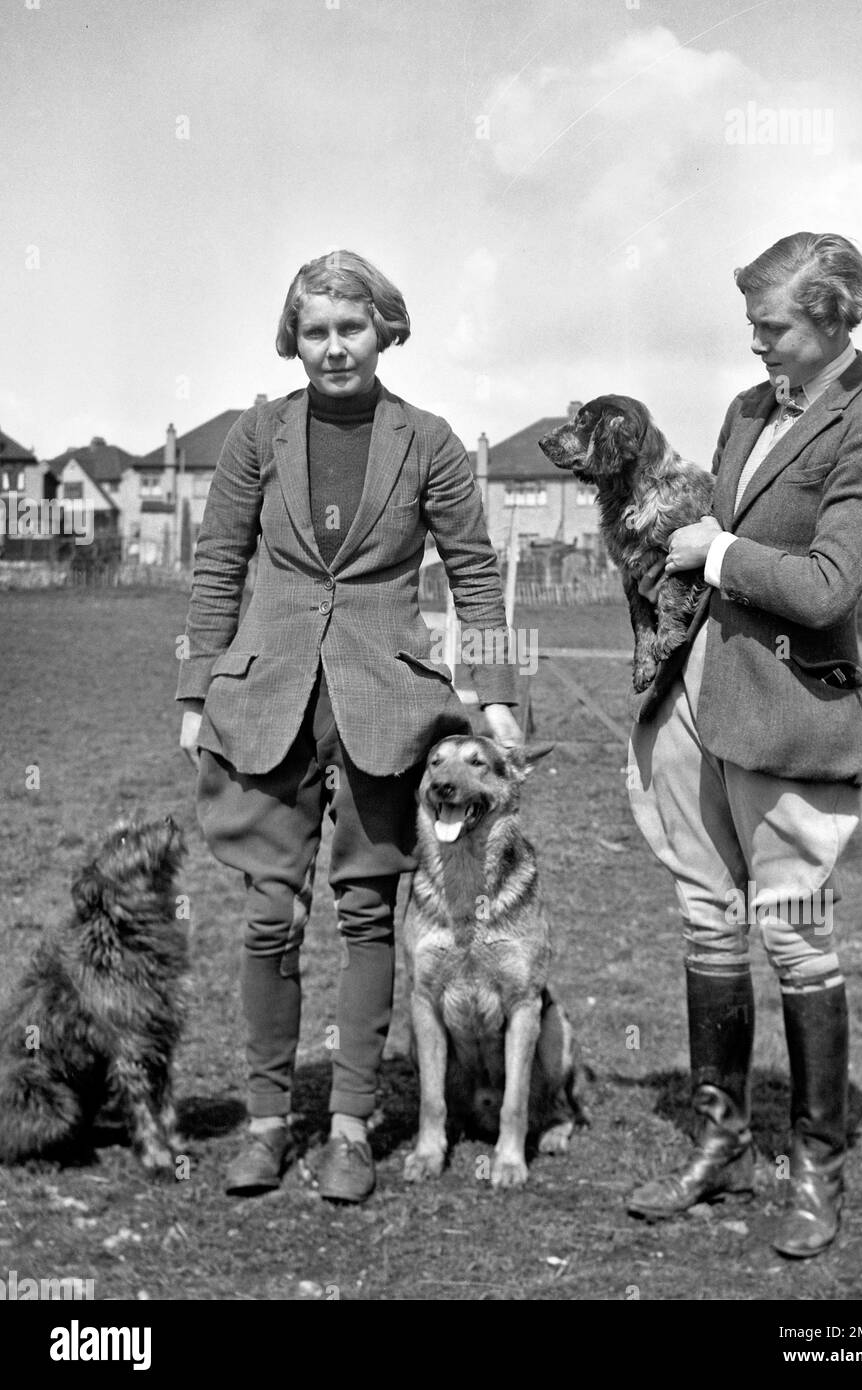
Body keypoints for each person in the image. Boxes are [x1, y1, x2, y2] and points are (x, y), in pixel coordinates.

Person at [177, 250, 521, 1203]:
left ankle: (351, 1128)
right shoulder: (258, 434)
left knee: (369, 913)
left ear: (385, 330)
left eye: (352, 329)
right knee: (267, 916)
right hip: (266, 699)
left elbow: (475, 574)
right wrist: (196, 692)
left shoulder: (430, 440)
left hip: (388, 707)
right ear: (294, 339)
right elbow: (216, 567)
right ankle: (264, 1123)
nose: (334, 349)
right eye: (316, 331)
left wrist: (494, 699)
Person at [625, 232, 862, 1256]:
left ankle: (813, 1167)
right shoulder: (745, 411)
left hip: (791, 715)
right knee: (707, 923)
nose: (752, 341)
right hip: (698, 704)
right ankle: (717, 1142)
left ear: (834, 315)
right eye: (750, 323)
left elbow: (828, 587)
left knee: (792, 933)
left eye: (772, 325)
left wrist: (718, 550)